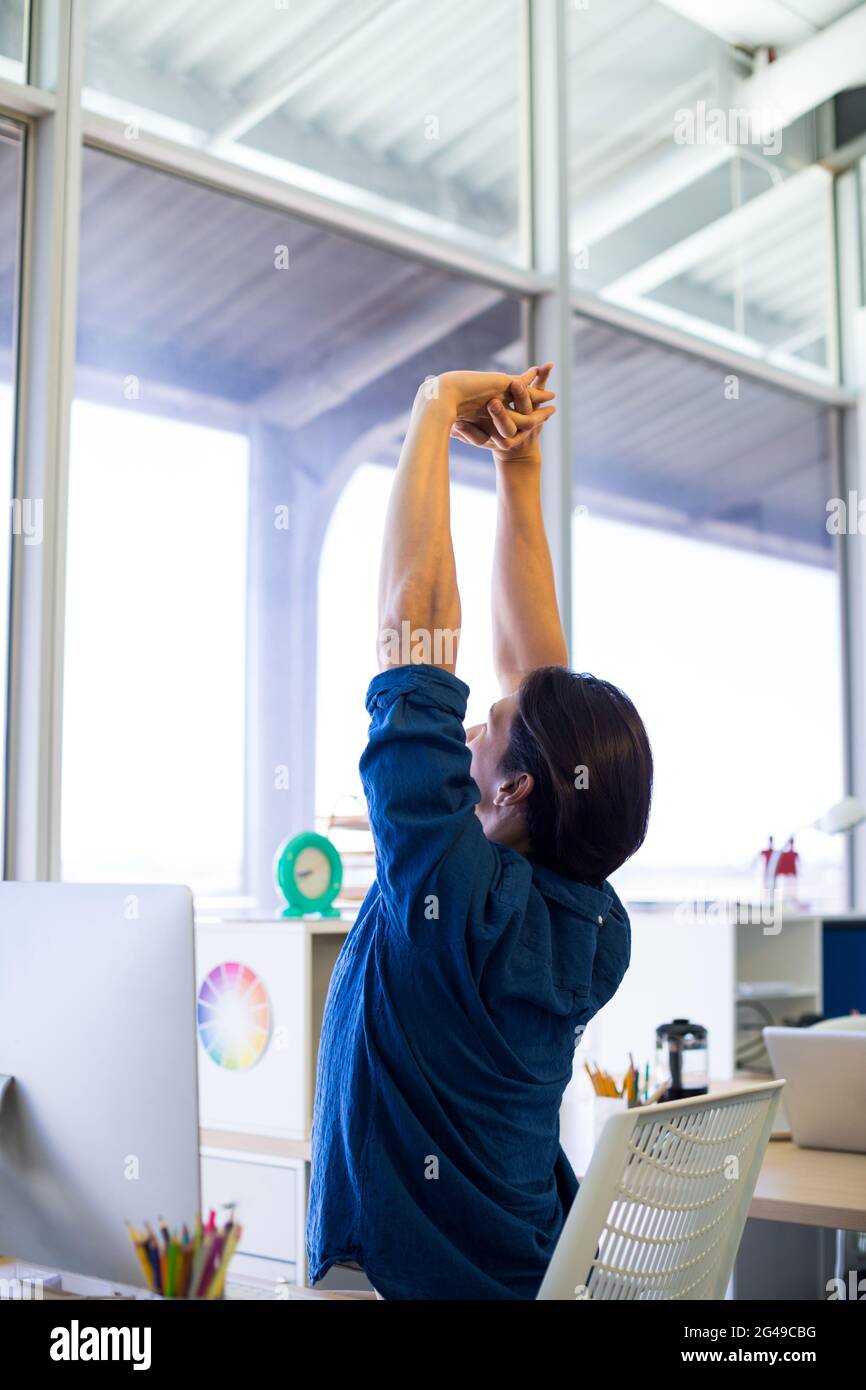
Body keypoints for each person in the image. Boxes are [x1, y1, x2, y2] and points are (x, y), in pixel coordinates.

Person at [307, 364, 653, 1300]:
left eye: (481, 734)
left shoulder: (446, 887)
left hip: (390, 1280)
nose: (464, 731)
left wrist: (431, 407)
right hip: (523, 1274)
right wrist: (517, 474)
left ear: (513, 792)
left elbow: (411, 629)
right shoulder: (589, 921)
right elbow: (543, 696)